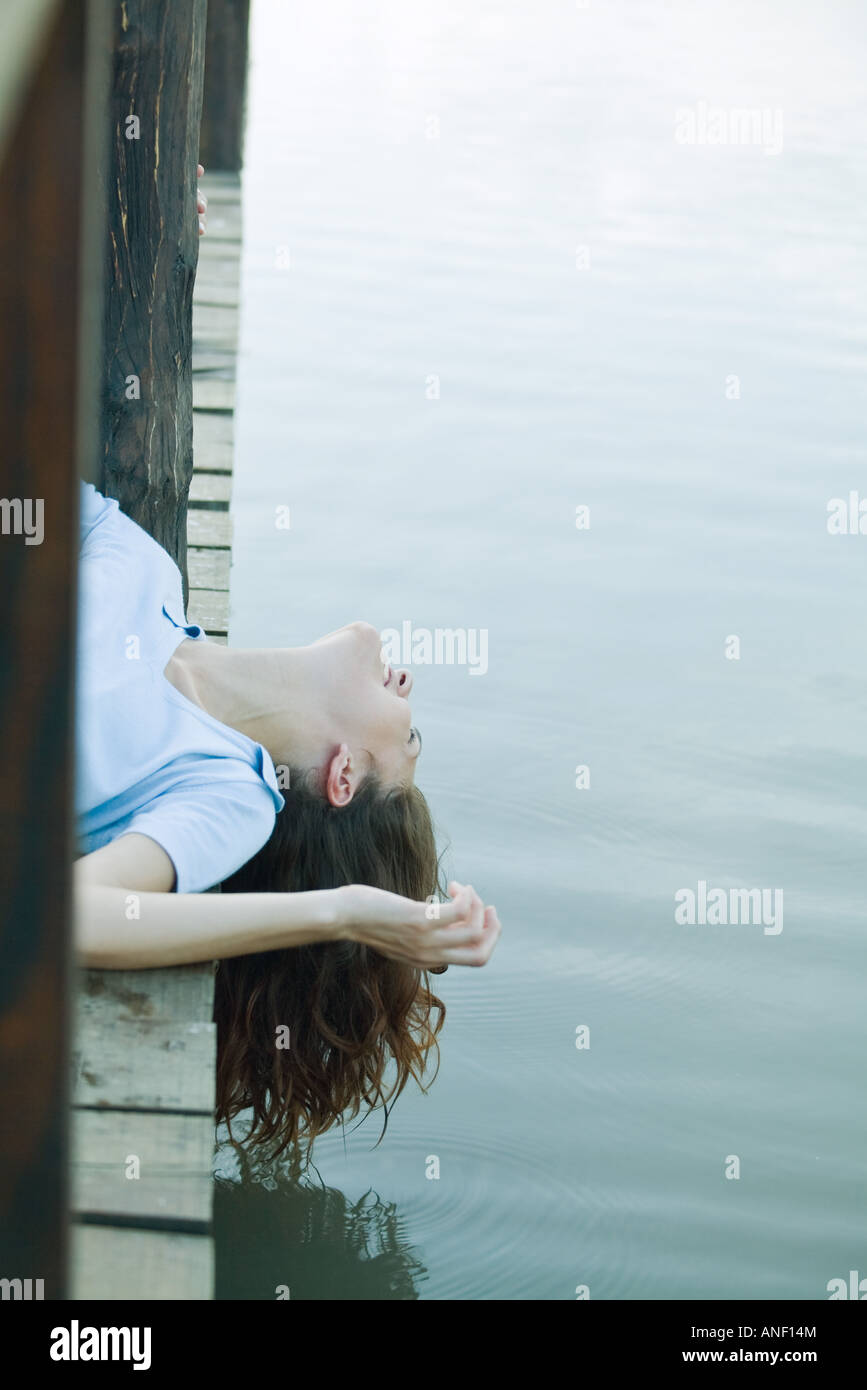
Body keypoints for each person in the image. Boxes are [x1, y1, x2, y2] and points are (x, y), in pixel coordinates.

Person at [74, 478, 501, 1155]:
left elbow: (68, 916)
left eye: (409, 737)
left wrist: (343, 910)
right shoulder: (152, 573)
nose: (407, 683)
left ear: (342, 776)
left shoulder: (222, 790)